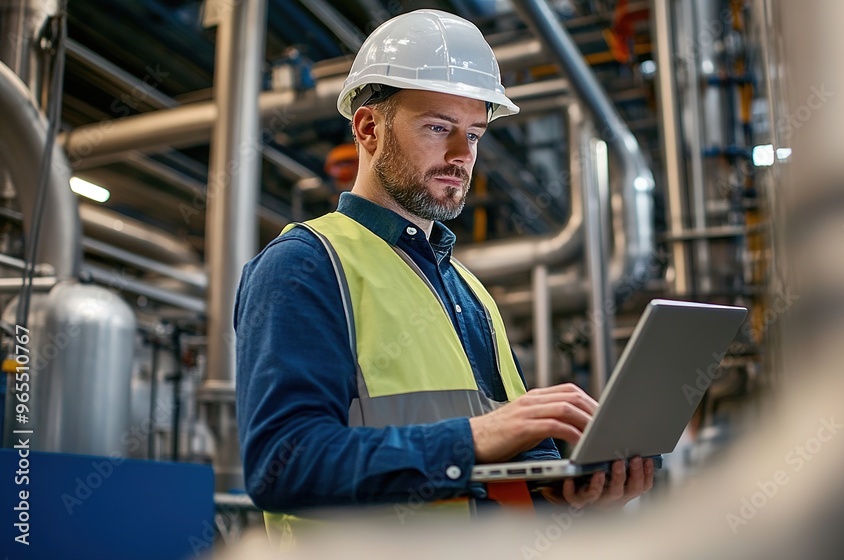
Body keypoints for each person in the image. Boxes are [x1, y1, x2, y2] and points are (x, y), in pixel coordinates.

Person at [234, 9, 654, 541]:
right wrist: (473, 439)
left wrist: (582, 499)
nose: (462, 155)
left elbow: (498, 486)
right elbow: (283, 463)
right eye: (438, 128)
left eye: (474, 134)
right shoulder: (306, 264)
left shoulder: (471, 293)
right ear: (367, 128)